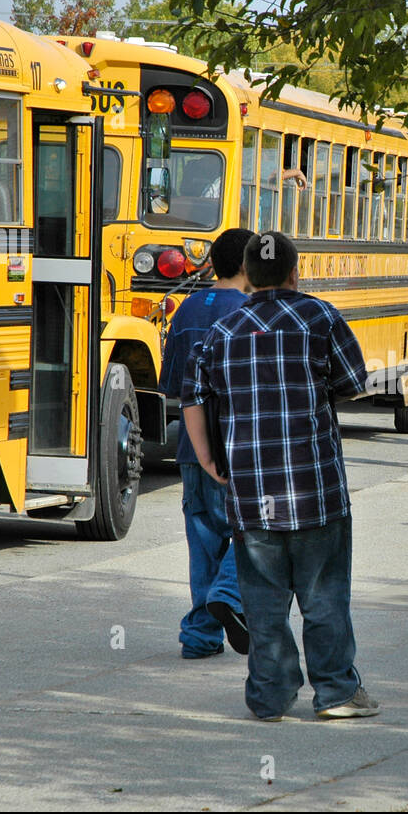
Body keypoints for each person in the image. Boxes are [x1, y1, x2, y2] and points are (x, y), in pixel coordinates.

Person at [182, 230, 378, 721]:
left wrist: (207, 460)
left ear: (248, 276)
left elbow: (192, 398)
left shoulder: (223, 330)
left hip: (251, 495)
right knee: (324, 597)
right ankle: (335, 693)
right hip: (318, 491)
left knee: (264, 604)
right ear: (296, 273)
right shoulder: (320, 316)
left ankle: (270, 695)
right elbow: (355, 384)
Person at [159, 227, 254, 659]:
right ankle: (228, 596)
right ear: (249, 265)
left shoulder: (185, 309)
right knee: (254, 531)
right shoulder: (251, 311)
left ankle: (200, 636)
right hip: (239, 446)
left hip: (192, 449)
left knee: (203, 539)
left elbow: (172, 385)